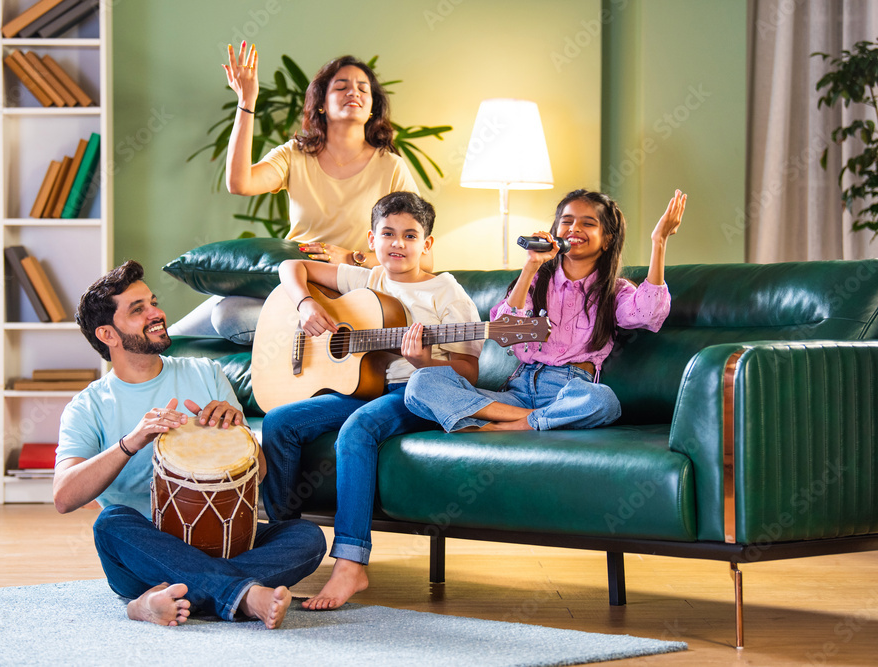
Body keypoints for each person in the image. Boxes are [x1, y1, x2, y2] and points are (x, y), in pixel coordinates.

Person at [53, 260, 326, 629]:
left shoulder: (206, 374)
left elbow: (259, 472)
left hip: (226, 540)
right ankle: (243, 594)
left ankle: (155, 601)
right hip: (145, 550)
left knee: (306, 537)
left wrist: (238, 434)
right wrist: (131, 443)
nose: (157, 313)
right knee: (111, 523)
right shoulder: (88, 406)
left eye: (152, 302)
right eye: (139, 310)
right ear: (108, 335)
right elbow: (64, 497)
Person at [260, 191, 483, 610]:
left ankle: (350, 563)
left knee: (358, 430)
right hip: (362, 389)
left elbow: (468, 375)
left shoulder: (448, 294)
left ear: (427, 244)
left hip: (415, 394)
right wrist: (306, 303)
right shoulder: (368, 281)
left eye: (410, 235)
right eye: (388, 233)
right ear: (372, 239)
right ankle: (281, 544)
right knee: (279, 423)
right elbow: (290, 266)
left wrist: (423, 362)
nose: (397, 243)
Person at [169, 43, 423, 344]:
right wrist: (246, 102)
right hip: (294, 284)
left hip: (349, 293)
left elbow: (425, 258)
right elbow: (240, 183)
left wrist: (353, 258)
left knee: (229, 315)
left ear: (372, 109)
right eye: (341, 87)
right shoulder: (295, 155)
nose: (353, 92)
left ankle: (328, 335)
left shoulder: (391, 167)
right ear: (321, 105)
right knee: (173, 339)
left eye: (362, 89)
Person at [404, 188, 687, 432]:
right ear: (555, 231)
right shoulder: (537, 280)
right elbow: (504, 325)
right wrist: (531, 264)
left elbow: (649, 313)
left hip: (568, 392)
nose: (574, 228)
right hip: (517, 391)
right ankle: (529, 422)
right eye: (567, 221)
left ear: (608, 239)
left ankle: (497, 427)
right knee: (420, 383)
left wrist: (658, 241)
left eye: (588, 223)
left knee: (604, 401)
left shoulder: (615, 290)